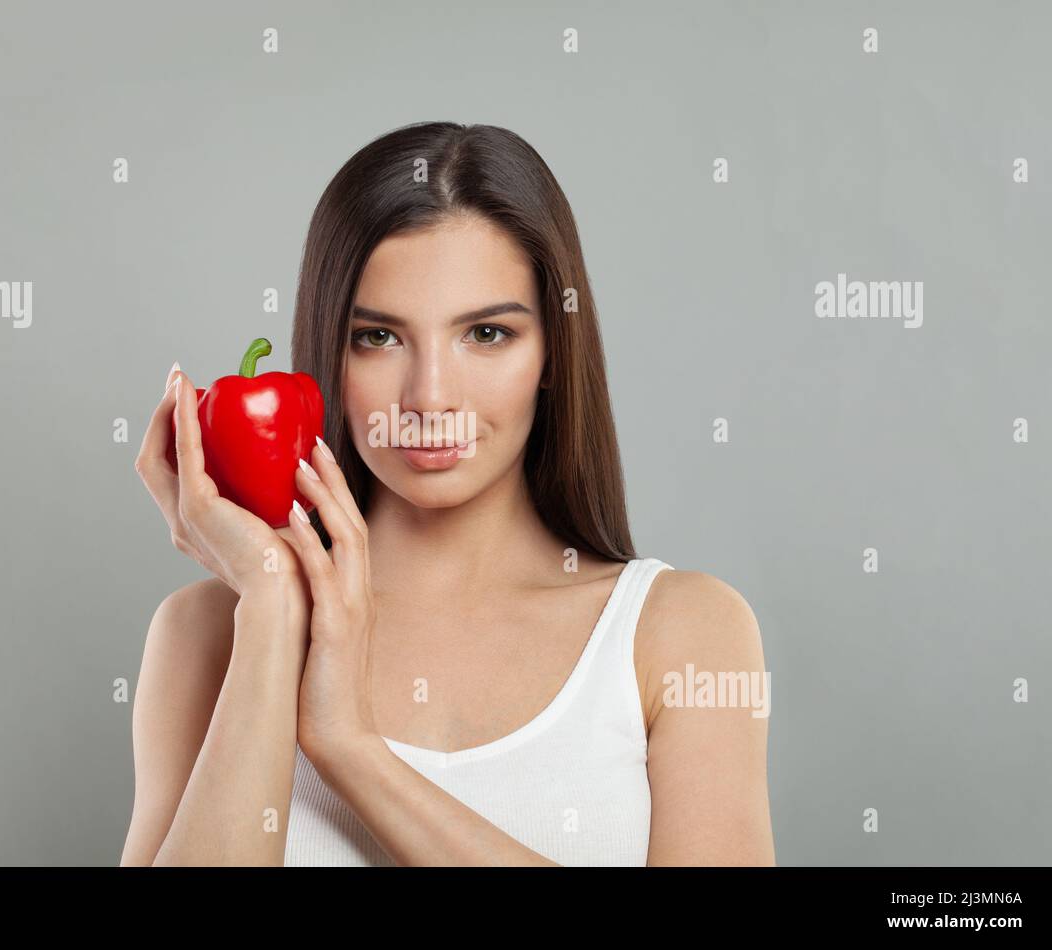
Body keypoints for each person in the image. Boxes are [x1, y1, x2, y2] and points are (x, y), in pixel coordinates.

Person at [121, 122, 774, 866]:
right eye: (379, 337)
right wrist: (272, 610)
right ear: (325, 354)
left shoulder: (681, 633)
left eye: (487, 334)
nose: (430, 398)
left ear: (553, 355)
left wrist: (352, 752)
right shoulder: (205, 635)